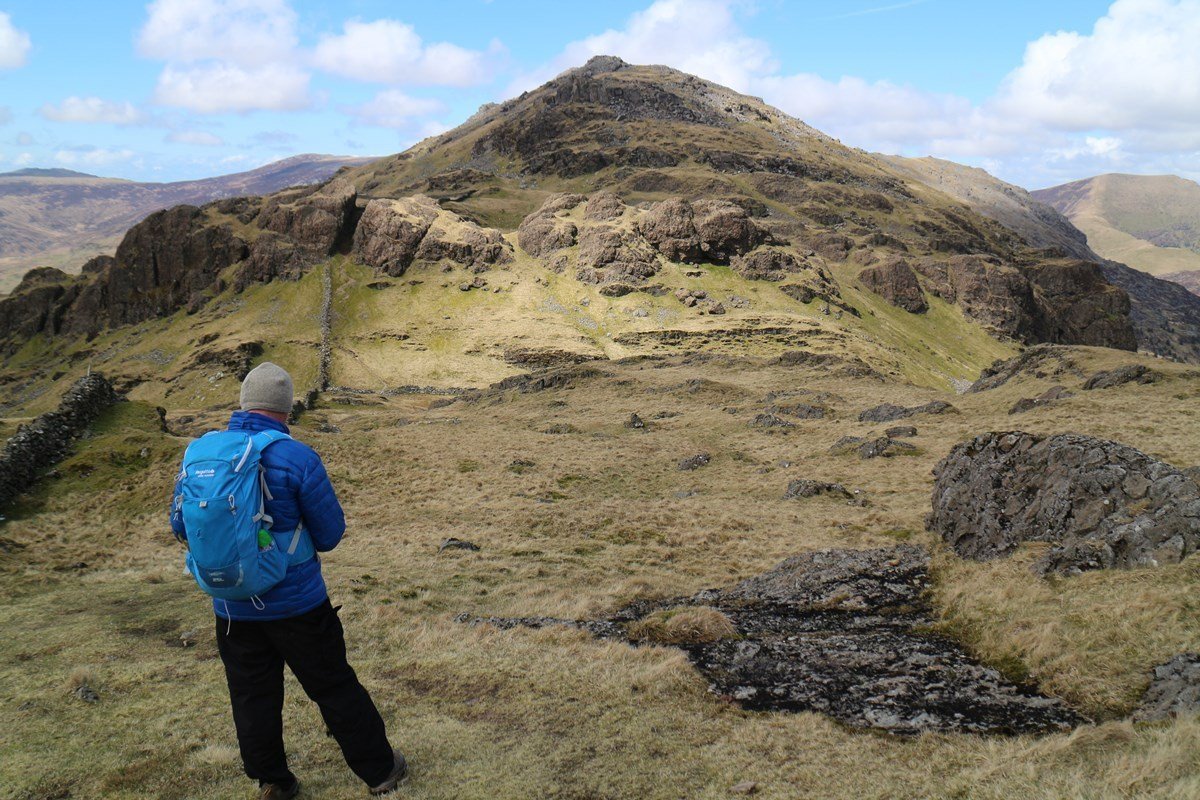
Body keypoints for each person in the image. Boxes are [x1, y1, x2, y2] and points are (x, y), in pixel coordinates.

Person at [170, 362, 407, 799]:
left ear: (243, 403)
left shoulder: (201, 454)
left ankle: (274, 783)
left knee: (251, 696)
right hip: (299, 605)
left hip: (231, 604)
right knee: (333, 685)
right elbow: (331, 534)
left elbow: (181, 526)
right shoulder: (296, 456)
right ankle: (380, 771)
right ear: (285, 408)